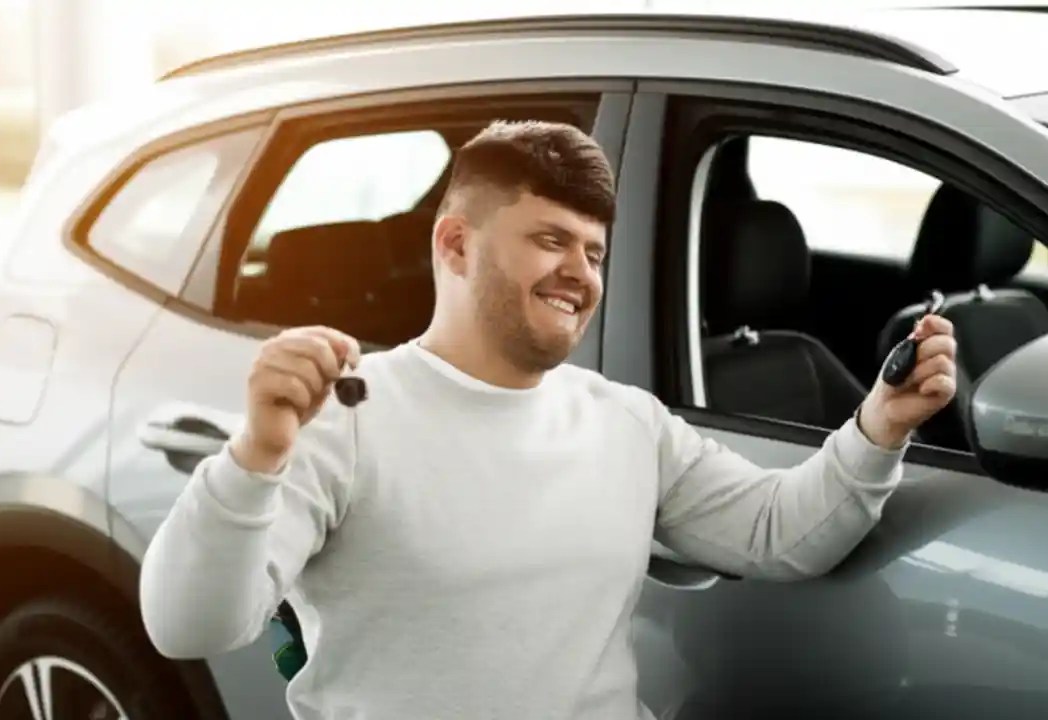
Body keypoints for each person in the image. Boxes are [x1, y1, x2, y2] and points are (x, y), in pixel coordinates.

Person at [139, 119, 957, 720]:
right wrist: (257, 453)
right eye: (549, 240)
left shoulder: (625, 423)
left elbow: (781, 534)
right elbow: (189, 624)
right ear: (455, 246)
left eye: (594, 252)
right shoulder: (350, 415)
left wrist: (882, 421)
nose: (580, 273)